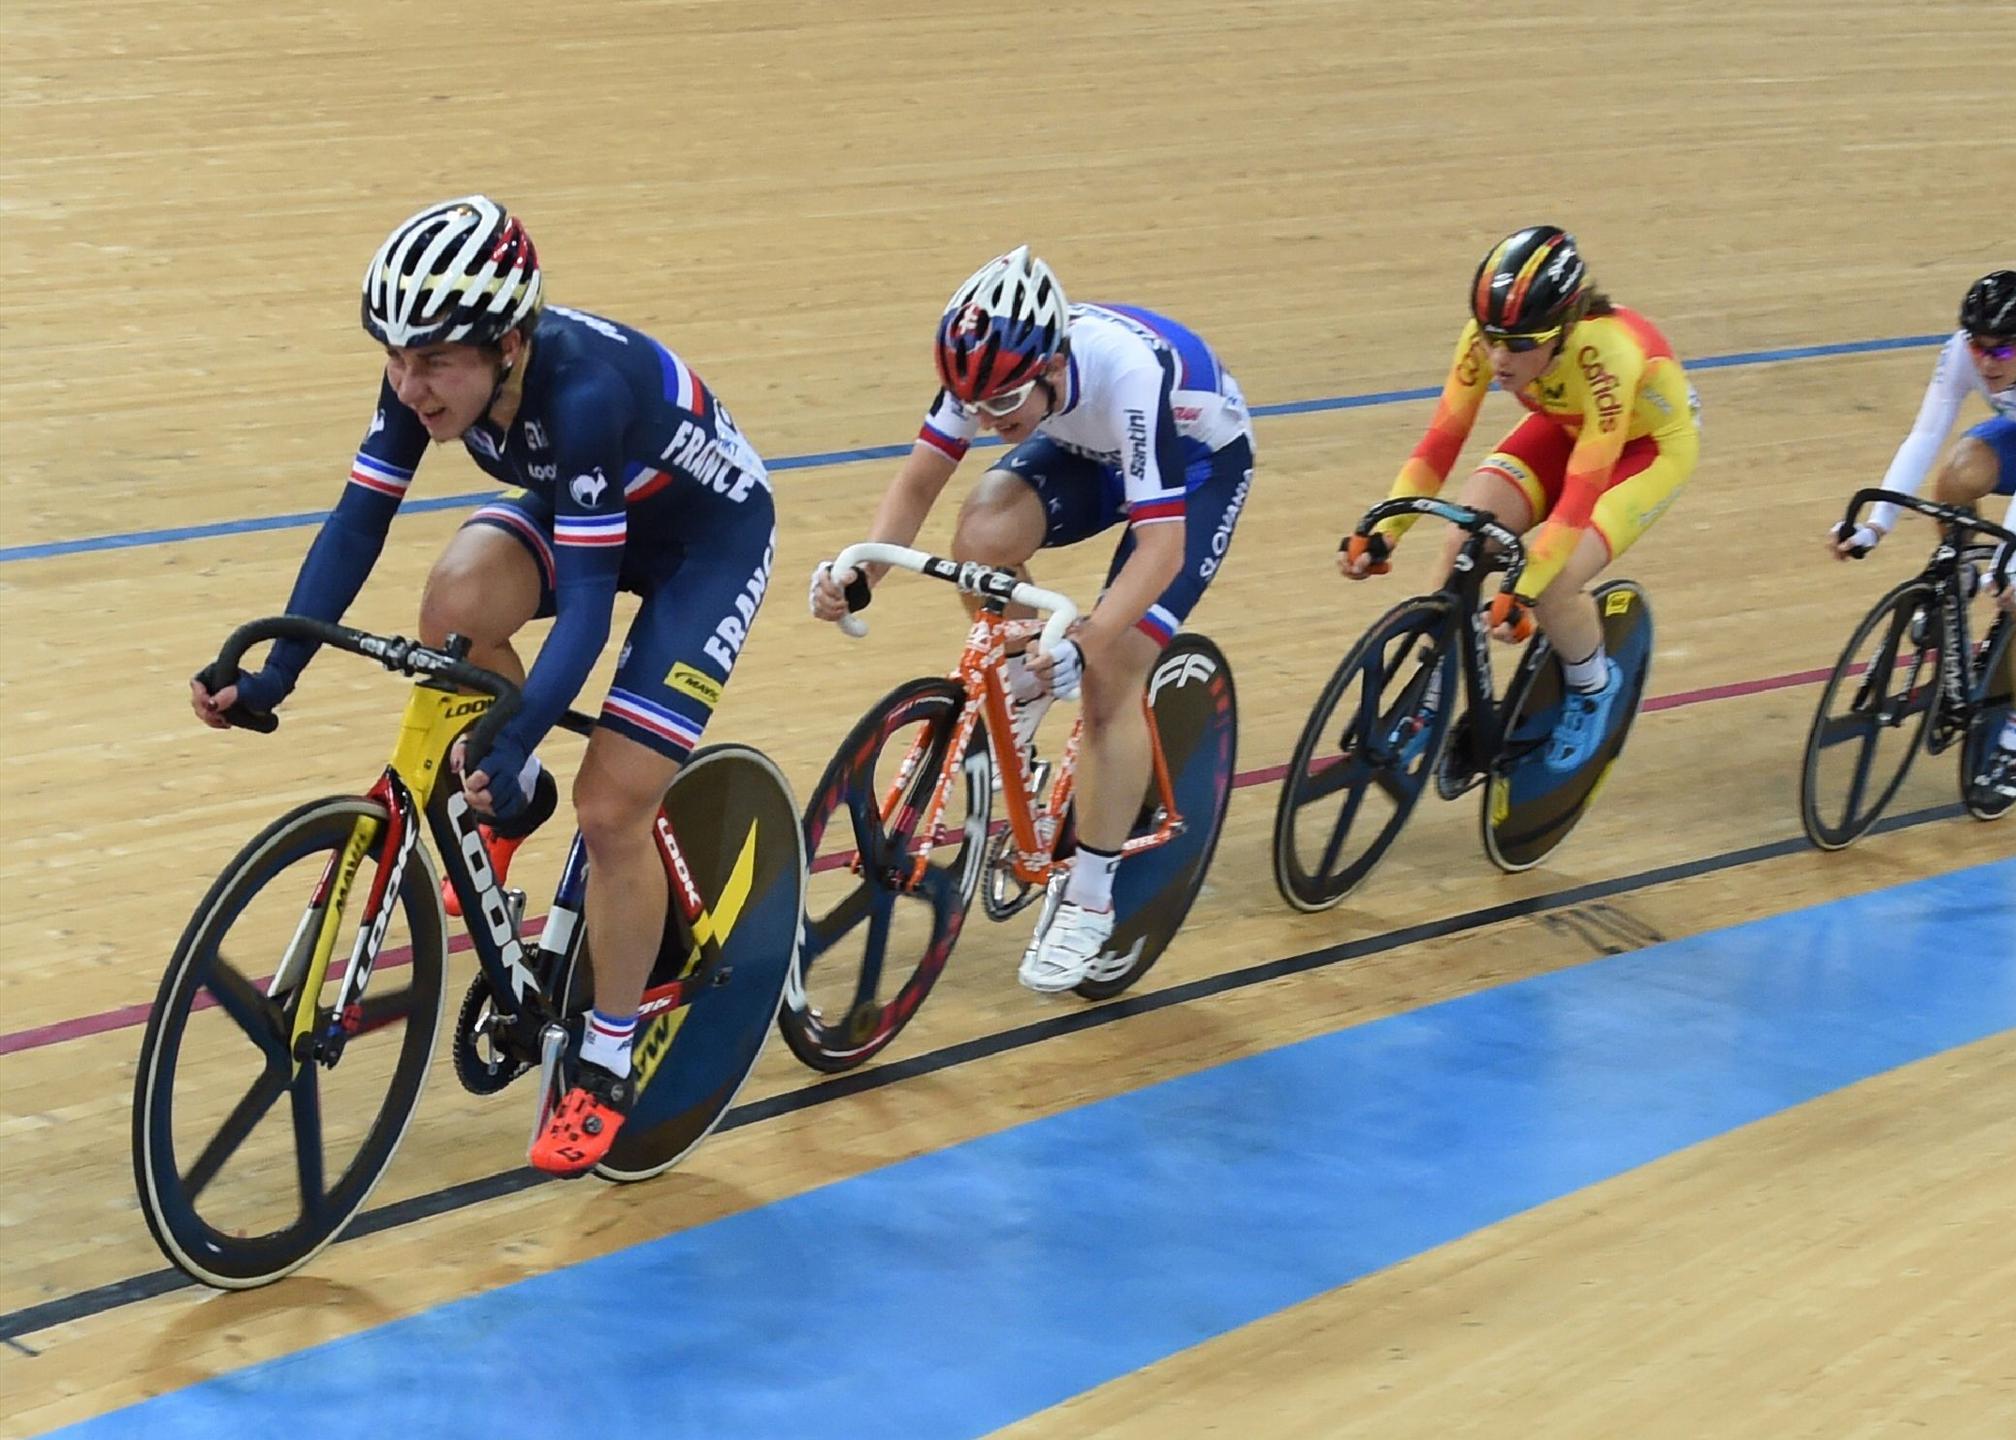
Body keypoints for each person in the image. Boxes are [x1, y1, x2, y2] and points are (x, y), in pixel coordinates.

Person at [187, 195, 778, 1175]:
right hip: (594, 504)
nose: (410, 387)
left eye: (434, 363)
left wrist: (515, 733)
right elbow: (357, 523)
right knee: (457, 598)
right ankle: (517, 800)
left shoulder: (584, 394)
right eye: (394, 357)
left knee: (613, 809)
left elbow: (587, 609)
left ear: (508, 344)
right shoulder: (424, 378)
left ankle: (606, 1055)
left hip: (704, 547)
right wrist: (275, 674)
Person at [810, 247, 1253, 995]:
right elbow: (919, 484)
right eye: (974, 409)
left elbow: (1161, 546)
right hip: (1089, 447)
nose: (984, 423)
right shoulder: (988, 371)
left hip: (1197, 467)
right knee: (982, 537)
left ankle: (1088, 896)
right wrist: (863, 574)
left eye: (1001, 409)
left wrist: (1090, 641)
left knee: (1111, 672)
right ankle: (1030, 677)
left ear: (1050, 368)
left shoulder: (1129, 376)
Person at [1339, 225, 1699, 771]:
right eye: (1490, 338)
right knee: (1464, 535)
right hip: (1564, 430)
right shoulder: (1490, 339)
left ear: (1563, 331)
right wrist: (1386, 530)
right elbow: (1442, 440)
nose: (1500, 358)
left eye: (1521, 346)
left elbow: (1580, 496)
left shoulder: (1608, 359)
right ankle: (1428, 702)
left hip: (1645, 451)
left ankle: (1593, 685)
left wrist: (1523, 592)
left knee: (1555, 580)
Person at [1829, 269, 2016, 813]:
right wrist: (1875, 526)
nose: (1985, 362)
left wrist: (2012, 563)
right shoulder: (1962, 352)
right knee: (1955, 476)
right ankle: (1960, 575)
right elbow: (1925, 435)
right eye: (1977, 347)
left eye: (2001, 352)